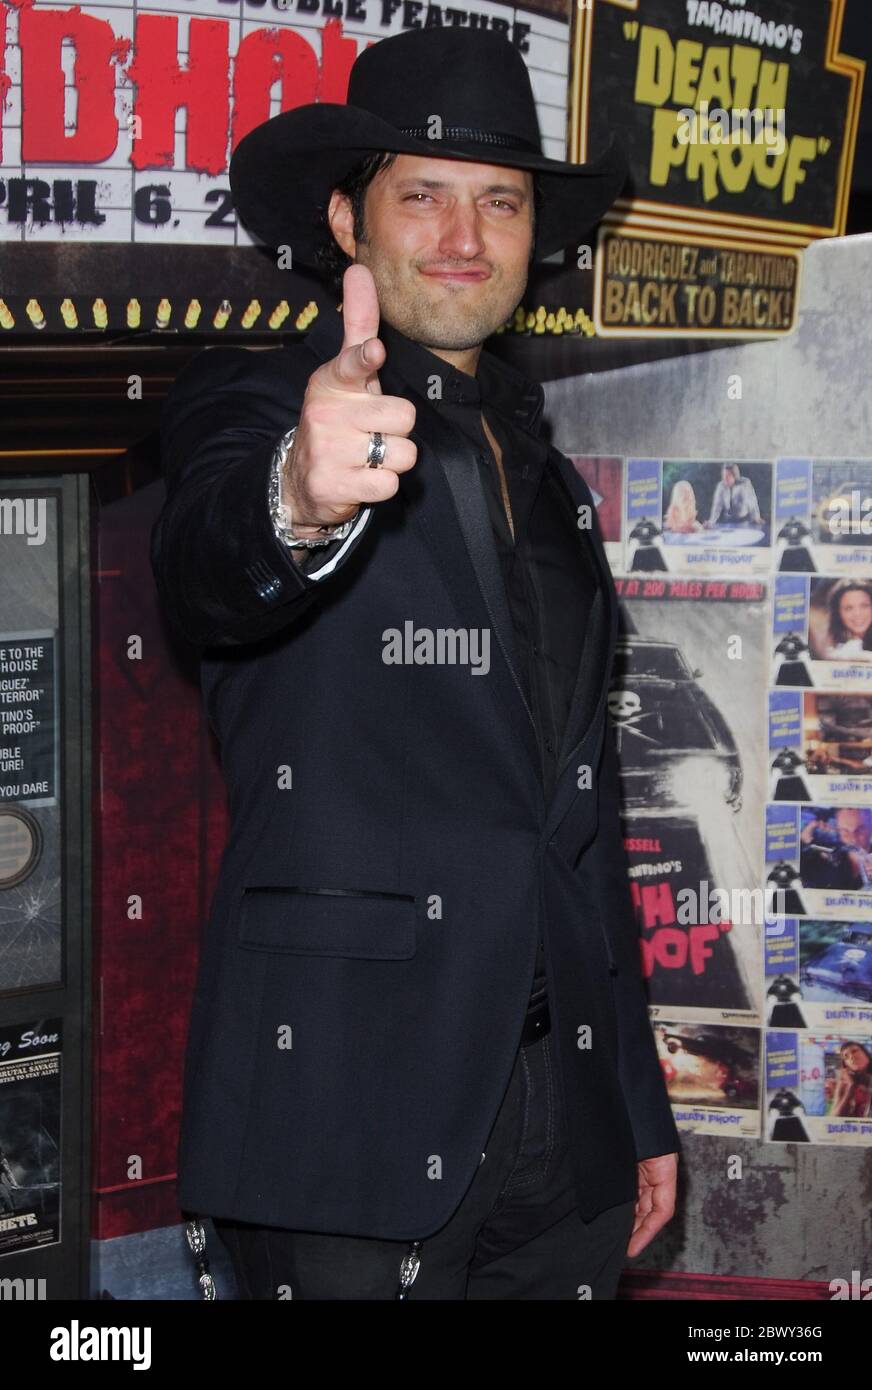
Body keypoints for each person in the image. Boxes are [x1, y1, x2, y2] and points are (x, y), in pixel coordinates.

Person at [151, 28, 679, 1301]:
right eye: (422, 194)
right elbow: (209, 560)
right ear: (346, 220)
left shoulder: (545, 474)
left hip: (562, 1122)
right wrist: (298, 497)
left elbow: (579, 816)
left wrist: (629, 1094)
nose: (462, 236)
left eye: (498, 201)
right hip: (345, 1111)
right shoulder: (257, 404)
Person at [823, 579, 872, 659]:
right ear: (838, 613)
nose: (857, 614)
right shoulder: (827, 649)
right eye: (849, 608)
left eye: (864, 606)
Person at [704, 463, 763, 528]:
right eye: (723, 476)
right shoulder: (721, 486)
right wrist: (711, 521)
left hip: (743, 520)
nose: (725, 478)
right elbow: (717, 505)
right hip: (728, 519)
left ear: (735, 475)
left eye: (728, 476)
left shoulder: (745, 483)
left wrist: (756, 517)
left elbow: (752, 502)